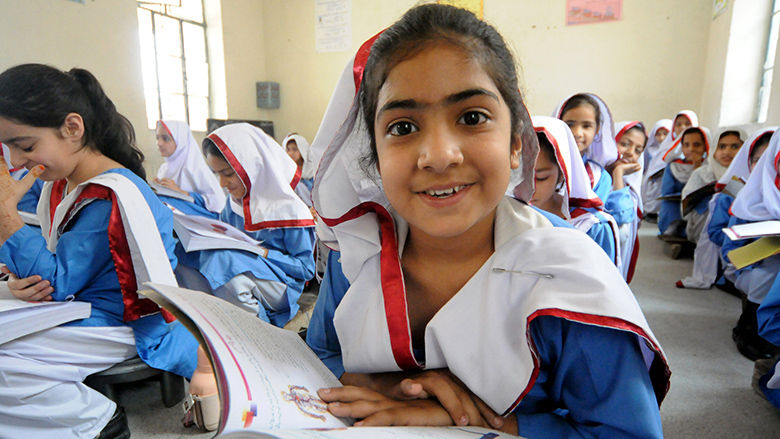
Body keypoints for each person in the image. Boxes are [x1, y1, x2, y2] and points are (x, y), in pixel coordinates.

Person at [306, 5, 669, 437]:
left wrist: (481, 420)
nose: (439, 155)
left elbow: (624, 432)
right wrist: (400, 386)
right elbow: (320, 355)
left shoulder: (567, 279)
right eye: (403, 127)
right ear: (375, 158)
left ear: (516, 144)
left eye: (472, 117)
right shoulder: (362, 253)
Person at [0, 64, 198, 439]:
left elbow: (58, 282)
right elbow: (54, 266)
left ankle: (97, 423)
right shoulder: (64, 180)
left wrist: (7, 222)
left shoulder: (110, 195)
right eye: (8, 147)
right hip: (79, 303)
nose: (16, 160)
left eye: (24, 146)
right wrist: (17, 278)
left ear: (72, 129)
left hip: (120, 320)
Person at [176, 123, 316, 326]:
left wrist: (264, 253)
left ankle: (257, 330)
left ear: (253, 168)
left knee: (230, 275)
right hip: (241, 266)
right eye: (218, 175)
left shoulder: (290, 210)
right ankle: (213, 322)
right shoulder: (232, 205)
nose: (222, 184)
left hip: (281, 283)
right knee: (184, 257)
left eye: (228, 173)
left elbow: (305, 269)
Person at [530, 115, 620, 267]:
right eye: (516, 176)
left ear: (562, 175)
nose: (529, 187)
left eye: (541, 177)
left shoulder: (590, 226)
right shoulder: (500, 214)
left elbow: (602, 285)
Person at [722, 129, 780, 361]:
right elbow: (729, 250)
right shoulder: (752, 197)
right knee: (771, 270)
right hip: (749, 267)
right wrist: (757, 255)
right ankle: (748, 329)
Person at [676, 130, 744, 289]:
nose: (727, 151)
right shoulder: (702, 172)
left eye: (734, 146)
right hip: (702, 223)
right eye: (722, 146)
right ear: (713, 149)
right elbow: (686, 203)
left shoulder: (746, 174)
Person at [153, 119, 225, 217]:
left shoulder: (195, 169)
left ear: (181, 141)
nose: (159, 143)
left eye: (165, 138)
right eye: (157, 138)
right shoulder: (164, 169)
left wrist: (181, 193)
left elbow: (218, 202)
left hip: (199, 223)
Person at [554, 93, 616, 202]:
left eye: (586, 126)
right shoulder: (544, 166)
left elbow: (593, 216)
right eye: (569, 124)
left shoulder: (599, 177)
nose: (578, 133)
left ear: (597, 130)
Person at [607, 121, 647, 281]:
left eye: (638, 150)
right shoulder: (592, 177)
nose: (631, 153)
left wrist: (618, 174)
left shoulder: (630, 187)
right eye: (624, 144)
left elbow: (623, 218)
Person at [658, 126, 710, 245]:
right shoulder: (673, 166)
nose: (691, 149)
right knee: (669, 207)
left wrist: (697, 168)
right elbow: (667, 192)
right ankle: (677, 233)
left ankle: (690, 236)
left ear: (705, 146)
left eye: (697, 145)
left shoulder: (709, 167)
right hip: (676, 205)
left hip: (697, 205)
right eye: (686, 145)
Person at [643, 110, 698, 220]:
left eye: (687, 123)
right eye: (678, 124)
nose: (683, 127)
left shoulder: (700, 148)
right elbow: (654, 168)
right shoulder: (667, 146)